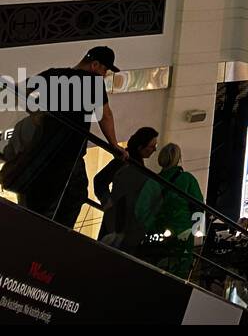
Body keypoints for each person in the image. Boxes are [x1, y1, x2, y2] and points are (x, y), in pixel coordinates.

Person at [7, 45, 123, 227]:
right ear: (95, 65)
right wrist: (114, 145)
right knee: (73, 196)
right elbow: (105, 115)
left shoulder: (54, 74)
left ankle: (31, 233)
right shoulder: (92, 83)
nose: (105, 75)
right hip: (70, 153)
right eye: (105, 69)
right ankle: (55, 236)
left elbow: (22, 89)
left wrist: (35, 112)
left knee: (40, 197)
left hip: (42, 148)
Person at [134, 142, 204, 279]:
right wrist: (197, 232)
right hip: (183, 236)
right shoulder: (187, 179)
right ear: (178, 159)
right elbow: (199, 206)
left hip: (157, 235)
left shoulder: (152, 181)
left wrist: (151, 227)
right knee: (180, 275)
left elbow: (140, 210)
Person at [94, 125, 158, 252]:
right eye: (152, 146)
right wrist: (108, 203)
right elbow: (100, 180)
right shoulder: (125, 161)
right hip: (120, 219)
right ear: (141, 147)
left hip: (121, 219)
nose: (154, 150)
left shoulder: (131, 162)